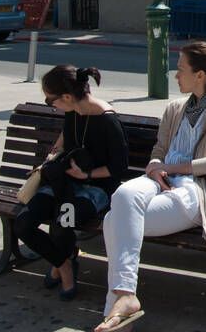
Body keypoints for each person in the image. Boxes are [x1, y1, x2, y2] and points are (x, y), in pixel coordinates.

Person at [92, 41, 206, 332]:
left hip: (196, 191)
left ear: (201, 75)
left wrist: (172, 167)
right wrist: (154, 167)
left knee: (113, 221)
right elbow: (159, 151)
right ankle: (125, 299)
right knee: (123, 194)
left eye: (180, 69)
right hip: (159, 180)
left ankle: (118, 308)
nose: (175, 75)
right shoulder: (175, 108)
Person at [13, 65, 129, 301]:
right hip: (62, 182)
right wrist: (54, 153)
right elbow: (66, 137)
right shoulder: (72, 110)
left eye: (49, 100)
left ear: (66, 97)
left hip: (94, 188)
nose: (50, 104)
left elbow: (119, 169)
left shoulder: (107, 121)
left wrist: (85, 176)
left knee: (61, 223)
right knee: (23, 223)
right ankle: (65, 263)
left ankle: (63, 267)